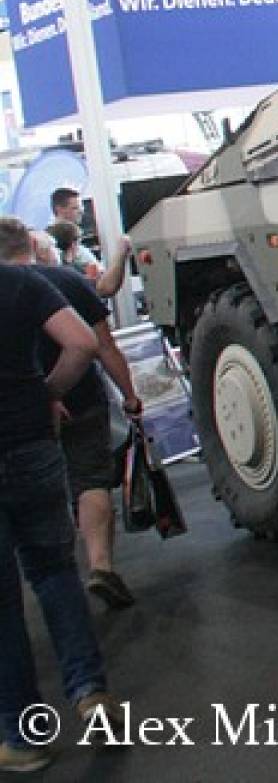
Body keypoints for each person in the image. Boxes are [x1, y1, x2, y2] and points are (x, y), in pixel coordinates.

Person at [0, 257, 117, 772]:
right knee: (54, 573)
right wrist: (46, 392)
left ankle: (23, 736)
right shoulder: (21, 281)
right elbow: (83, 343)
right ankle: (90, 693)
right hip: (30, 444)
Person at [3, 220, 142, 609]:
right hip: (80, 398)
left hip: (22, 418)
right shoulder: (67, 280)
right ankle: (100, 564)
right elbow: (102, 345)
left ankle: (50, 574)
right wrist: (130, 395)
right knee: (90, 479)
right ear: (31, 243)